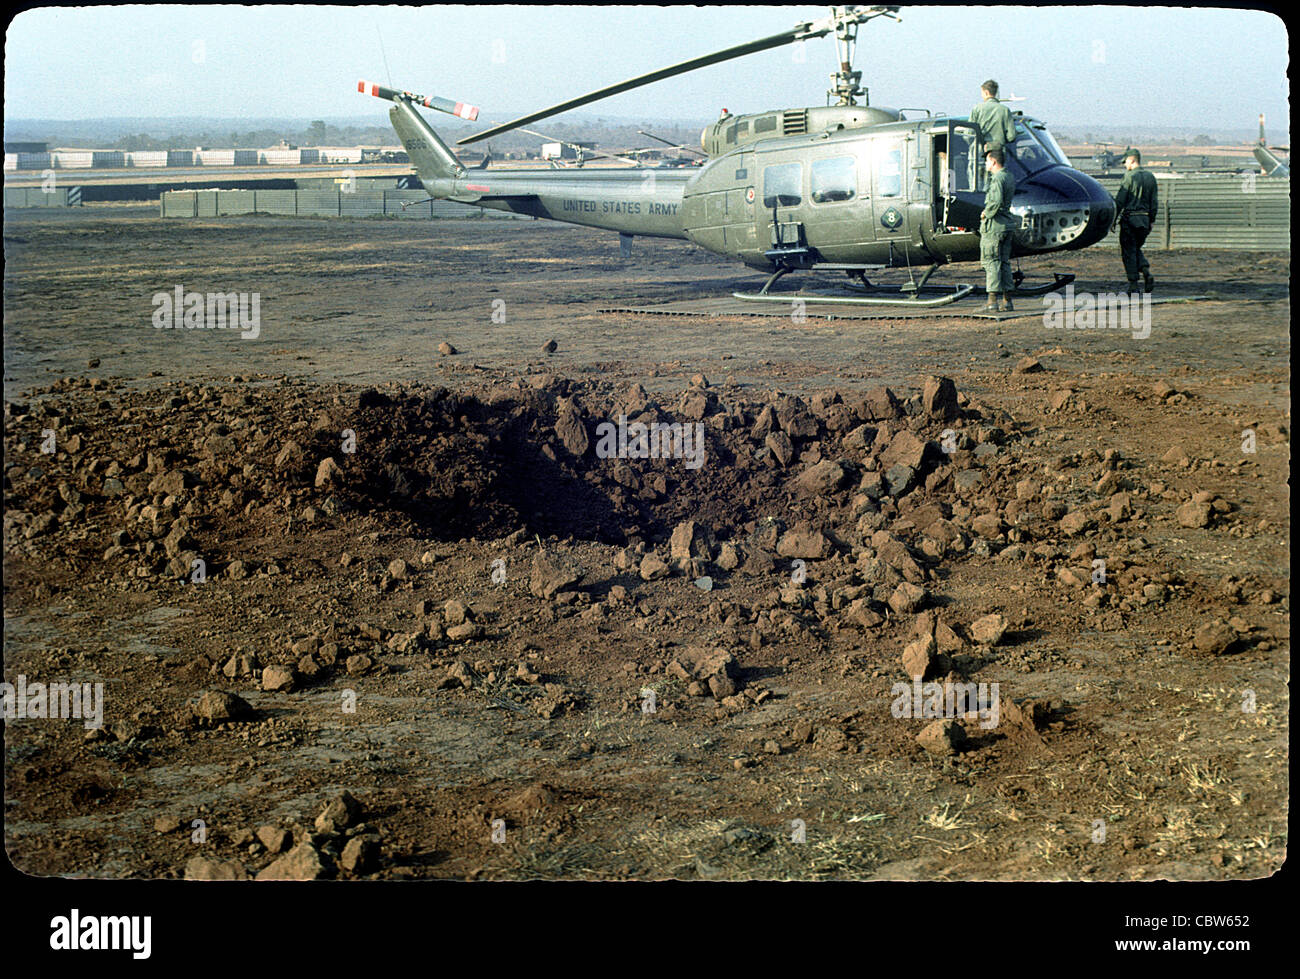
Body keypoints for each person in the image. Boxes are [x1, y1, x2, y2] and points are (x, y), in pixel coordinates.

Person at [1112, 149, 1158, 293]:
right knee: (1136, 248)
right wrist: (1152, 220)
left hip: (1130, 219)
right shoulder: (1151, 177)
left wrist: (1113, 218)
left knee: (1128, 251)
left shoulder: (1129, 177)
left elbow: (1120, 200)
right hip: (1144, 220)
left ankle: (1133, 285)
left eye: (1125, 162)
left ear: (1132, 160)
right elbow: (1154, 202)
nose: (1125, 165)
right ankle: (1145, 270)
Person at [980, 146, 1017, 312]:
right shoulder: (1009, 176)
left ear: (993, 161)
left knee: (991, 262)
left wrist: (985, 214)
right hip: (1007, 224)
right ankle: (1007, 300)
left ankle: (992, 301)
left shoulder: (997, 179)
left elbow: (995, 202)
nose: (986, 164)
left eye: (987, 160)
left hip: (995, 226)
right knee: (1004, 262)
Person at [970, 79, 1016, 153]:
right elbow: (1011, 136)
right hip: (998, 152)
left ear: (986, 92)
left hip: (978, 154)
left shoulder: (977, 109)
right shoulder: (1005, 110)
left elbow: (969, 133)